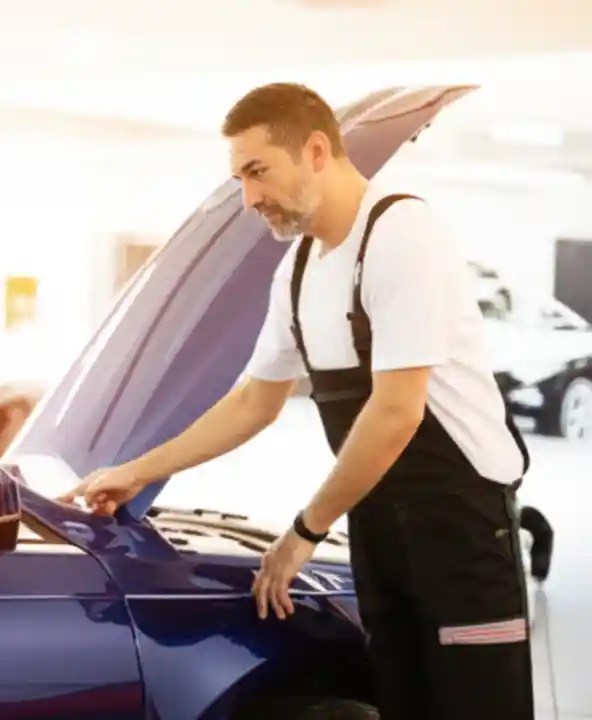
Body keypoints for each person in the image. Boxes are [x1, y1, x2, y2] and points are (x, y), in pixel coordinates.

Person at [60, 83, 533, 719]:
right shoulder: (301, 268)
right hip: (377, 526)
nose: (250, 197)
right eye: (240, 179)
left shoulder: (402, 232)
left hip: (463, 533)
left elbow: (396, 413)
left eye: (258, 172)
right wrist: (135, 470)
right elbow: (255, 400)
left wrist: (302, 533)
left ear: (315, 151)